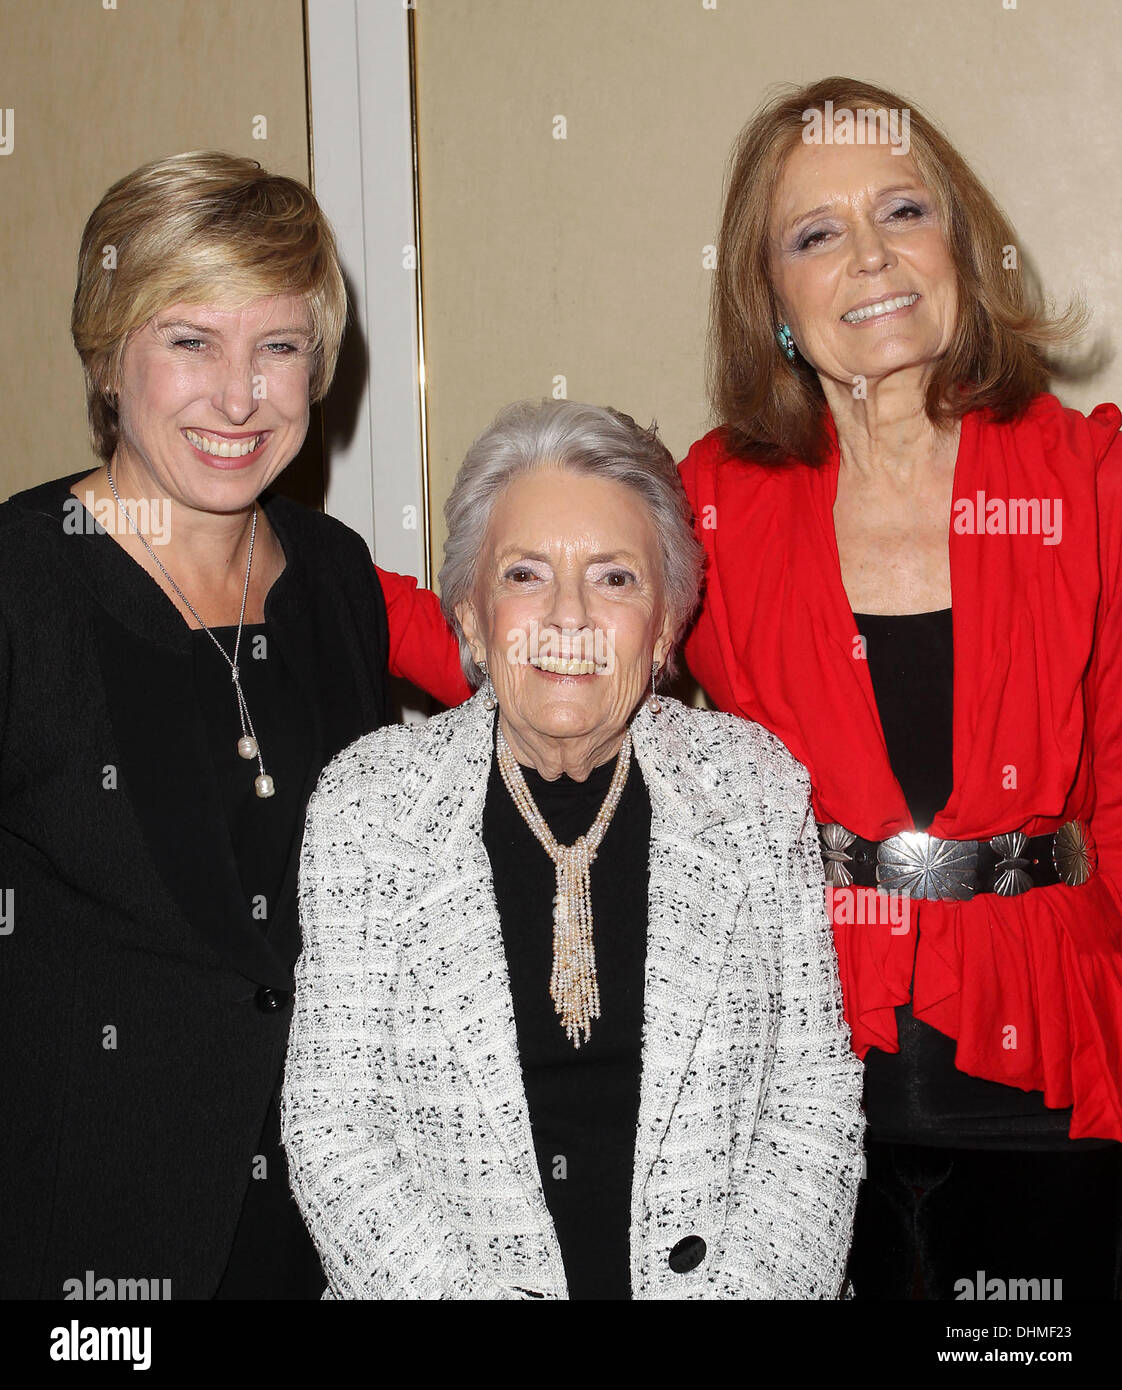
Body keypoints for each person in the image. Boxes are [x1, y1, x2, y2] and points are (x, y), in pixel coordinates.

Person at [679, 76, 1122, 1299]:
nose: (870, 255)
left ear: (960, 247)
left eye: (904, 211)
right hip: (796, 1113)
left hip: (1052, 1109)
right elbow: (539, 641)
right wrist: (285, 569)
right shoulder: (706, 507)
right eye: (815, 234)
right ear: (771, 298)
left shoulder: (1087, 478)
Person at [0, 151, 470, 1299]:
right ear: (110, 356)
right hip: (81, 1242)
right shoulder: (19, 586)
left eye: (279, 347)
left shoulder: (336, 577)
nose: (239, 396)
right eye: (189, 341)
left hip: (325, 1230)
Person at [281, 398, 864, 1300]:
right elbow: (335, 1128)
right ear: (469, 615)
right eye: (524, 574)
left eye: (615, 580)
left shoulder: (755, 790)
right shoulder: (369, 809)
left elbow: (813, 1105)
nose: (568, 617)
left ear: (667, 625)